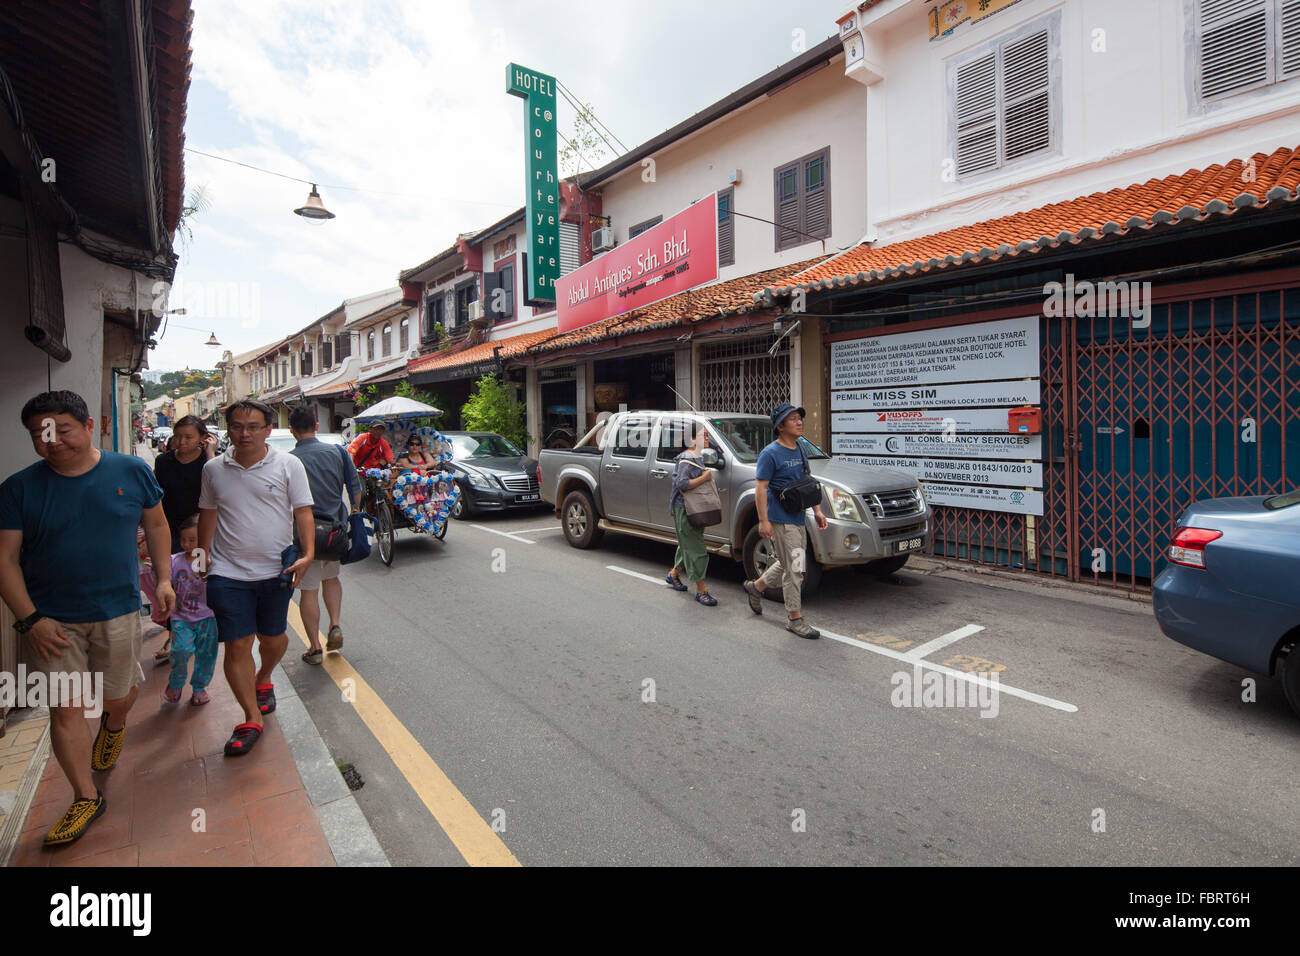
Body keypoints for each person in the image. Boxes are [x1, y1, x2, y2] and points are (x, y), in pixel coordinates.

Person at [0, 390, 175, 846]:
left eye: (63, 429)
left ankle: (113, 727)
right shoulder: (18, 489)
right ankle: (85, 797)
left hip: (116, 611)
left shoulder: (131, 471)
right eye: (40, 433)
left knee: (118, 696)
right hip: (49, 622)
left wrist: (162, 579)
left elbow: (155, 524)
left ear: (89, 427)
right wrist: (29, 620)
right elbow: (4, 558)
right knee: (65, 708)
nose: (52, 440)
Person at [197, 399, 315, 756]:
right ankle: (251, 716)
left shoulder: (288, 464)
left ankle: (264, 677)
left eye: (252, 426)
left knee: (274, 638)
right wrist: (202, 556)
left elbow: (303, 512)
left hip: (275, 569)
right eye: (236, 426)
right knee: (236, 644)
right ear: (227, 428)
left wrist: (308, 554)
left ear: (268, 429)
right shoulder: (213, 469)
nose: (243, 433)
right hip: (226, 571)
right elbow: (208, 513)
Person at [743, 402, 829, 639]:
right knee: (795, 568)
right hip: (780, 519)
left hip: (799, 517)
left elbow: (807, 483)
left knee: (789, 562)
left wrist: (818, 510)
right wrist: (763, 521)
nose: (799, 422)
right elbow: (760, 488)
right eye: (792, 419)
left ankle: (756, 586)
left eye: (799, 418)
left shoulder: (800, 448)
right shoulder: (770, 453)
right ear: (780, 426)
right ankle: (794, 618)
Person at [288, 406, 360, 664]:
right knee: (331, 579)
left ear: (292, 430)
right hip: (335, 532)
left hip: (305, 537)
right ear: (316, 426)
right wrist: (354, 513)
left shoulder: (289, 460)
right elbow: (354, 488)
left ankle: (315, 648)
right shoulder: (338, 453)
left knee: (308, 591)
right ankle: (335, 625)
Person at [143, 515, 218, 705]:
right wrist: (158, 571)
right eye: (183, 539)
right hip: (181, 618)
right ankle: (176, 682)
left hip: (208, 618)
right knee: (181, 651)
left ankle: (199, 688)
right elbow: (163, 579)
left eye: (192, 540)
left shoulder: (212, 561)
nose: (186, 544)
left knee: (206, 656)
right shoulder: (174, 561)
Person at [666, 422, 718, 606]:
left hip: (692, 509)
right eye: (703, 436)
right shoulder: (687, 457)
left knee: (687, 543)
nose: (707, 439)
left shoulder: (696, 457)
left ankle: (673, 574)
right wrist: (704, 477)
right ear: (692, 439)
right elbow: (683, 484)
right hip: (686, 509)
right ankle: (701, 590)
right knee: (696, 549)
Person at [154, 415, 217, 552]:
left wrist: (210, 453)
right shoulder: (163, 461)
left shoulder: (210, 461)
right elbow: (156, 494)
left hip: (199, 529)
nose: (182, 441)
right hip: (169, 528)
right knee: (175, 568)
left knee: (198, 568)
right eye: (177, 436)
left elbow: (217, 488)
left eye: (188, 437)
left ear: (203, 437)